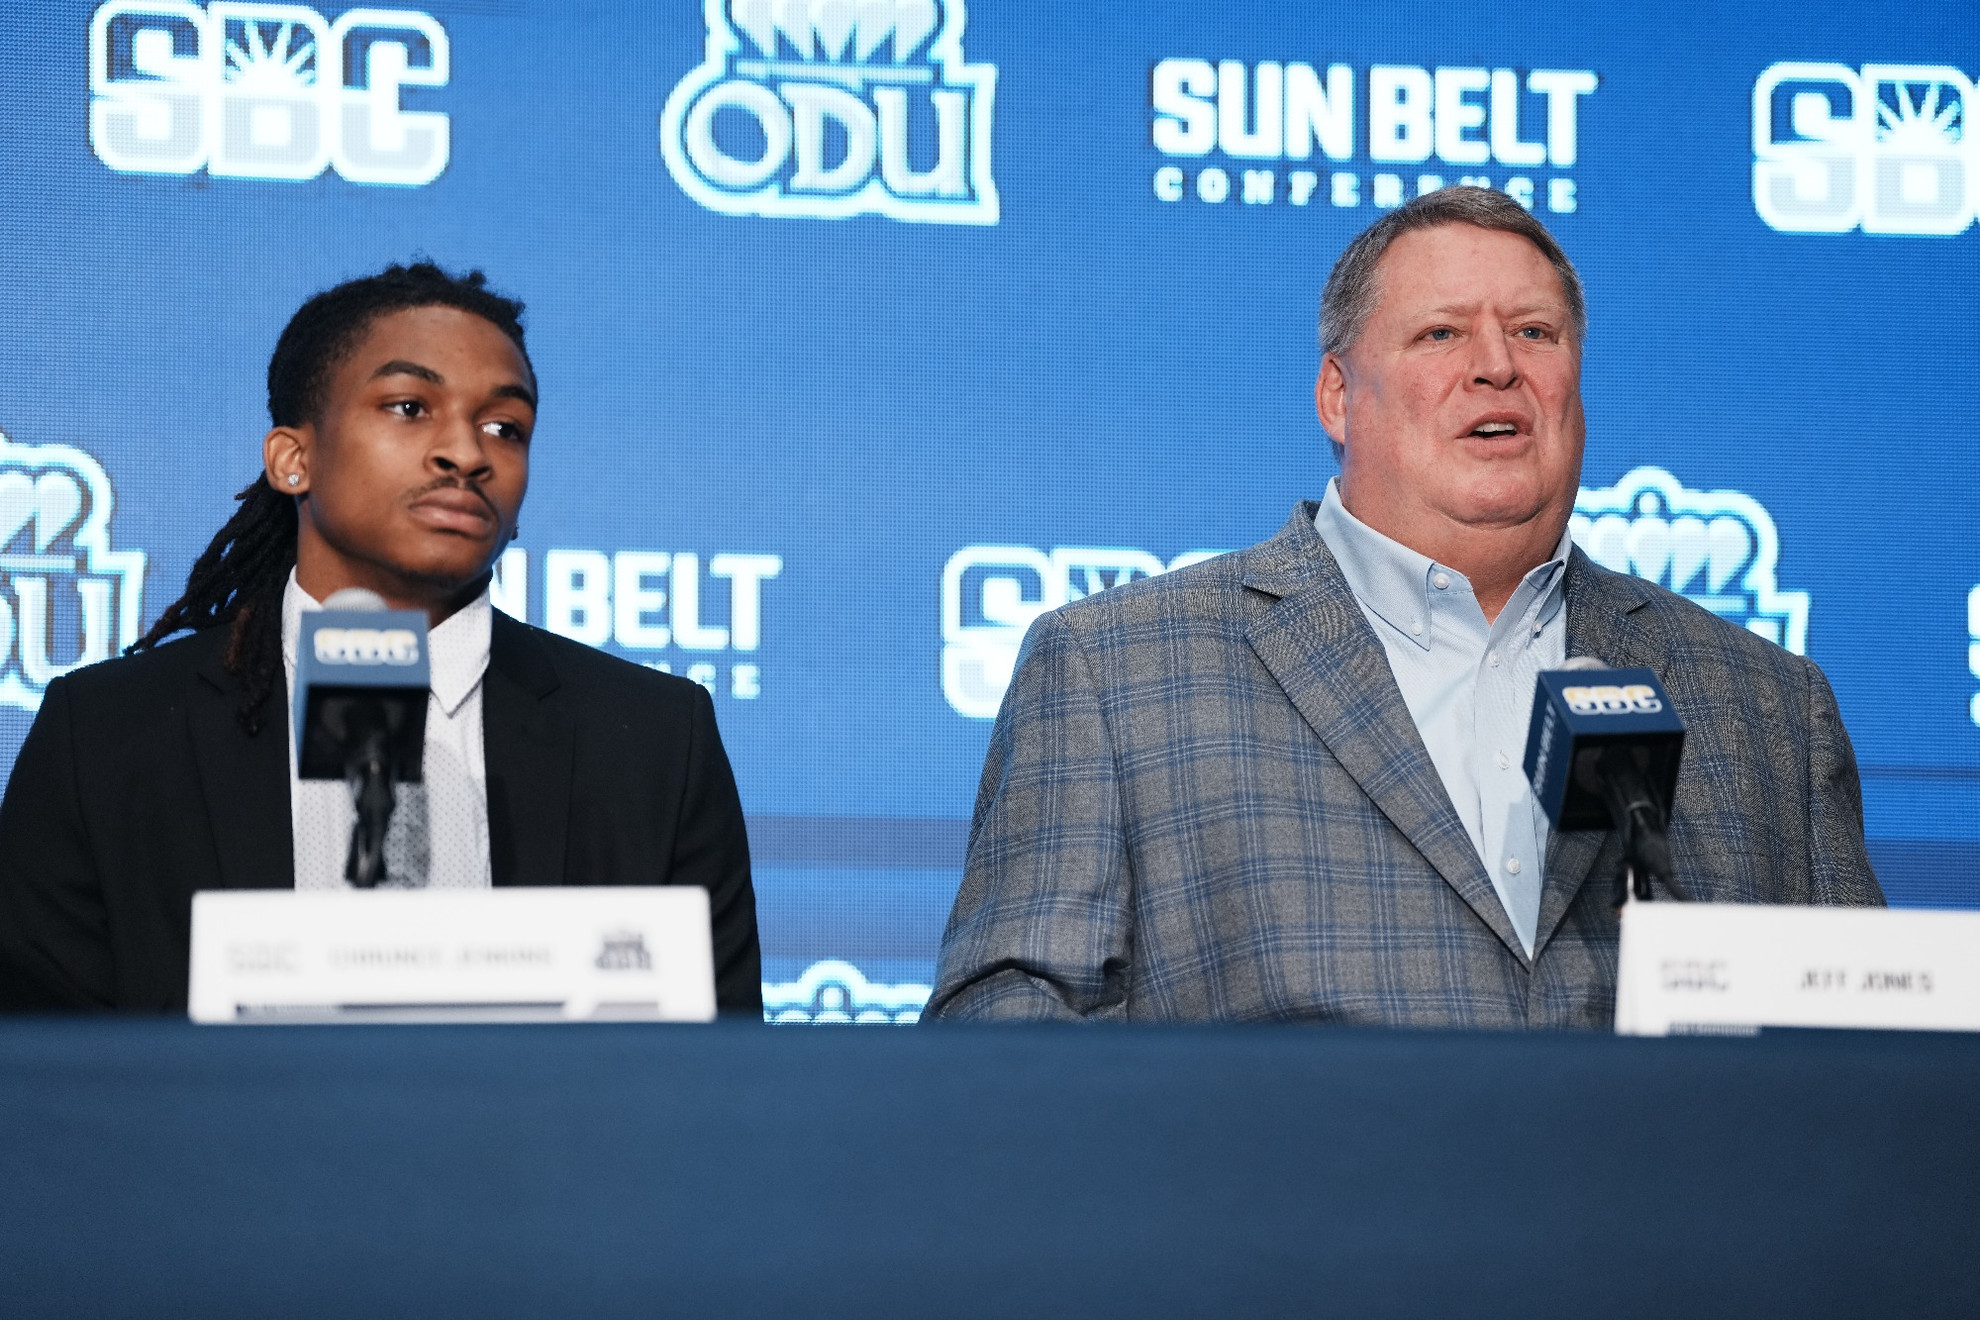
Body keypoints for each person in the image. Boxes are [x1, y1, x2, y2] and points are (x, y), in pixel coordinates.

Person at [928, 187, 1881, 1027]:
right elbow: (1008, 1048)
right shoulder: (1118, 673)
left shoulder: (1765, 705)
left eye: (1535, 333)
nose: (1497, 365)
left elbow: (1871, 1066)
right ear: (1337, 398)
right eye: (1441, 334)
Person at [0, 263, 762, 1014]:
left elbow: (719, 1065)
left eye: (505, 428)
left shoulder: (655, 740)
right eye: (409, 407)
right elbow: (44, 1065)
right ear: (294, 459)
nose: (468, 453)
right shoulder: (105, 734)